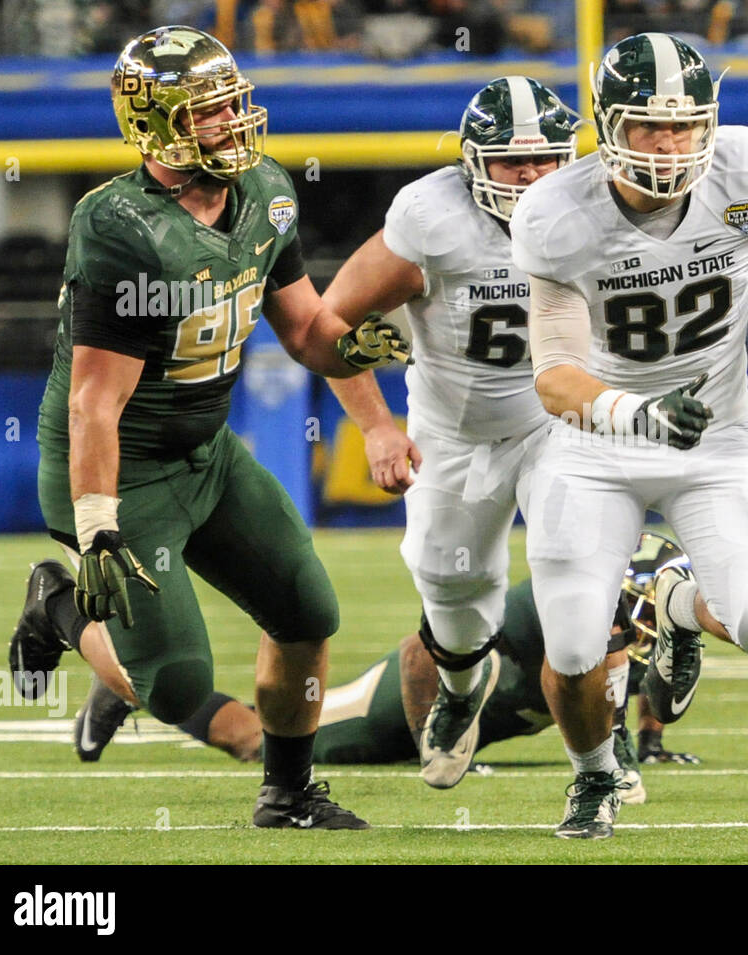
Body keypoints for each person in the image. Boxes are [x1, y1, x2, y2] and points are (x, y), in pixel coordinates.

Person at [8, 26, 413, 831]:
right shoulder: (119, 224)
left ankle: (287, 794)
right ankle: (57, 607)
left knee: (307, 611)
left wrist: (360, 376)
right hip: (120, 466)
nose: (230, 117)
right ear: (155, 120)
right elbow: (96, 403)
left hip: (207, 453)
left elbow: (304, 329)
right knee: (176, 683)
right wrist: (95, 526)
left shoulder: (264, 189)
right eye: (207, 109)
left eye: (231, 100)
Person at [510, 32, 748, 838]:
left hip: (712, 443)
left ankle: (672, 606)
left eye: (685, 124)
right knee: (573, 648)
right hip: (595, 446)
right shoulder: (556, 214)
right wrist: (632, 412)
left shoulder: (747, 170)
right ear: (610, 125)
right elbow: (553, 378)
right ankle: (594, 775)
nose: (671, 143)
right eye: (650, 126)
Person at [311, 77, 578, 791]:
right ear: (471, 162)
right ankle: (462, 691)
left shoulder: (598, 208)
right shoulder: (432, 219)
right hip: (453, 433)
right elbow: (327, 325)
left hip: (555, 420)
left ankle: (602, 766)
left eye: (546, 159)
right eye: (511, 162)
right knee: (452, 589)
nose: (530, 175)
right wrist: (375, 427)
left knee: (578, 561)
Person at [73, 532, 705, 806]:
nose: (647, 622)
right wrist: (448, 741)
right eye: (646, 604)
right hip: (405, 711)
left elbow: (638, 687)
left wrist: (650, 740)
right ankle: (99, 653)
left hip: (477, 719)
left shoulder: (625, 641)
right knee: (256, 742)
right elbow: (420, 650)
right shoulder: (546, 602)